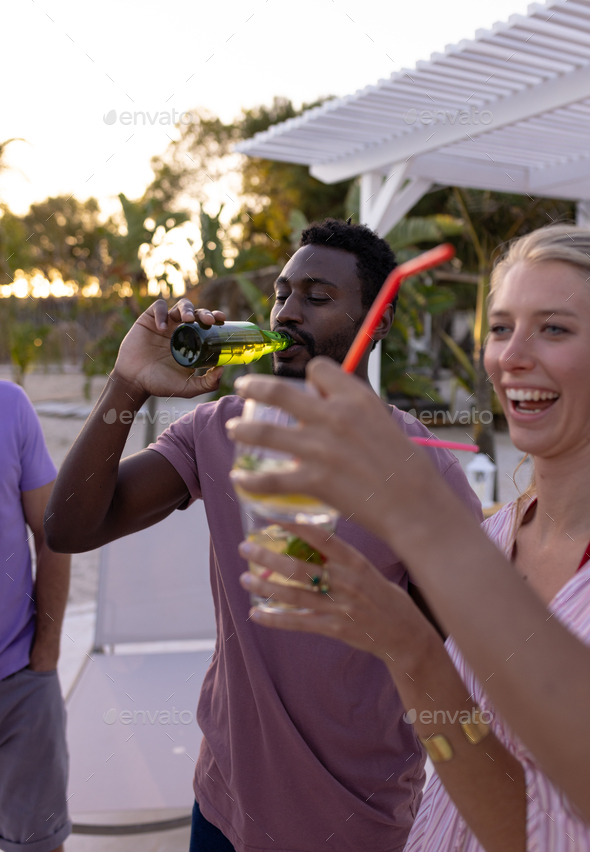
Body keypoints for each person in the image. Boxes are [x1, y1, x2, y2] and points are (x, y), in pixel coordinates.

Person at [45, 218, 482, 852]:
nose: (289, 312)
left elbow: (460, 647)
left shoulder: (423, 467)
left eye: (318, 297)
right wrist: (129, 384)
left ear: (377, 321)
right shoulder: (218, 429)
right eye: (282, 293)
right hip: (224, 806)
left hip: (357, 817)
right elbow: (70, 526)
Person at [229, 223, 590, 851]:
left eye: (554, 328)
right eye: (501, 328)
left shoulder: (460, 536)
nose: (511, 356)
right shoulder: (498, 535)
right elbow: (465, 752)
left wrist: (422, 523)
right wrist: (397, 636)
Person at [0, 381, 72, 852]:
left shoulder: (10, 405)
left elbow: (52, 532)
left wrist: (44, 654)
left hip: (20, 679)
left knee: (36, 846)